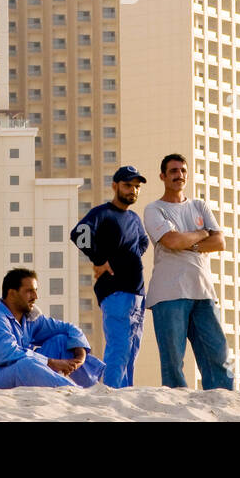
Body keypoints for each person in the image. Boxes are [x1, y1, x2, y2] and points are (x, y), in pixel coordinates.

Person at [141, 153, 235, 390]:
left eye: (183, 170)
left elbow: (220, 243)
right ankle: (177, 409)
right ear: (163, 176)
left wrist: (189, 243)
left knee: (218, 354)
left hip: (203, 291)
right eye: (173, 171)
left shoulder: (199, 205)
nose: (179, 175)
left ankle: (224, 405)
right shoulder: (154, 209)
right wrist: (202, 234)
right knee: (173, 361)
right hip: (169, 293)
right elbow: (171, 241)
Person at [71, 165, 150, 388]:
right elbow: (78, 233)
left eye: (136, 187)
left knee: (133, 348)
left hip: (137, 292)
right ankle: (113, 393)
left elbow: (142, 242)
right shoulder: (102, 213)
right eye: (127, 185)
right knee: (119, 346)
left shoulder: (134, 218)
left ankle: (125, 392)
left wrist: (127, 258)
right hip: (115, 291)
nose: (133, 190)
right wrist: (99, 259)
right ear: (115, 186)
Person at [0, 268, 104, 389]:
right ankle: (74, 393)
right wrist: (52, 362)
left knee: (61, 341)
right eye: (29, 291)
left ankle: (97, 385)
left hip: (17, 369)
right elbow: (8, 355)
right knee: (26, 365)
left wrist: (80, 354)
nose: (35, 297)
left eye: (36, 291)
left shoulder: (30, 317)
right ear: (12, 294)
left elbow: (68, 328)